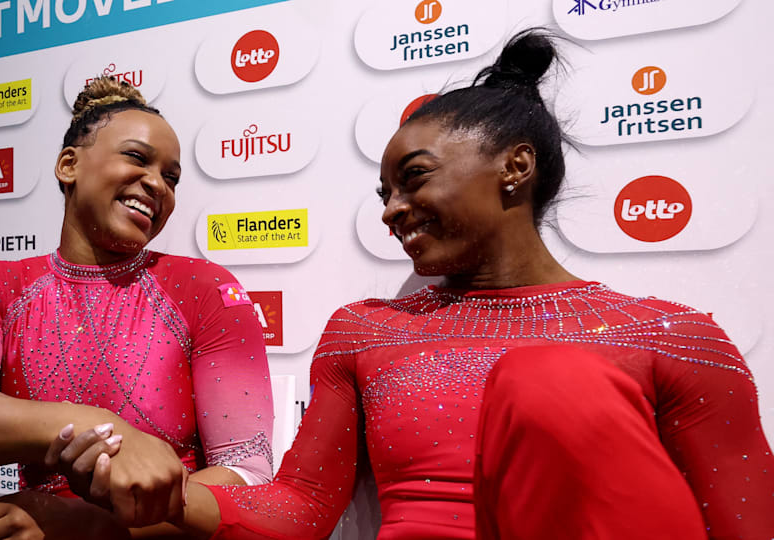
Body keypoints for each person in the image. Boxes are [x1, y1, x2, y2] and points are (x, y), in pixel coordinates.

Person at [42, 30, 773, 539]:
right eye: (383, 189)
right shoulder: (363, 330)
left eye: (412, 179)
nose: (390, 209)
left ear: (515, 169)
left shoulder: (675, 337)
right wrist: (133, 506)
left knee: (550, 383)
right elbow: (297, 508)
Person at [0, 76, 275, 538]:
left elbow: (247, 476)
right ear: (69, 165)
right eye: (137, 158)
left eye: (171, 177)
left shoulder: (205, 288)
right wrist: (97, 423)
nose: (156, 185)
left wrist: (94, 528)